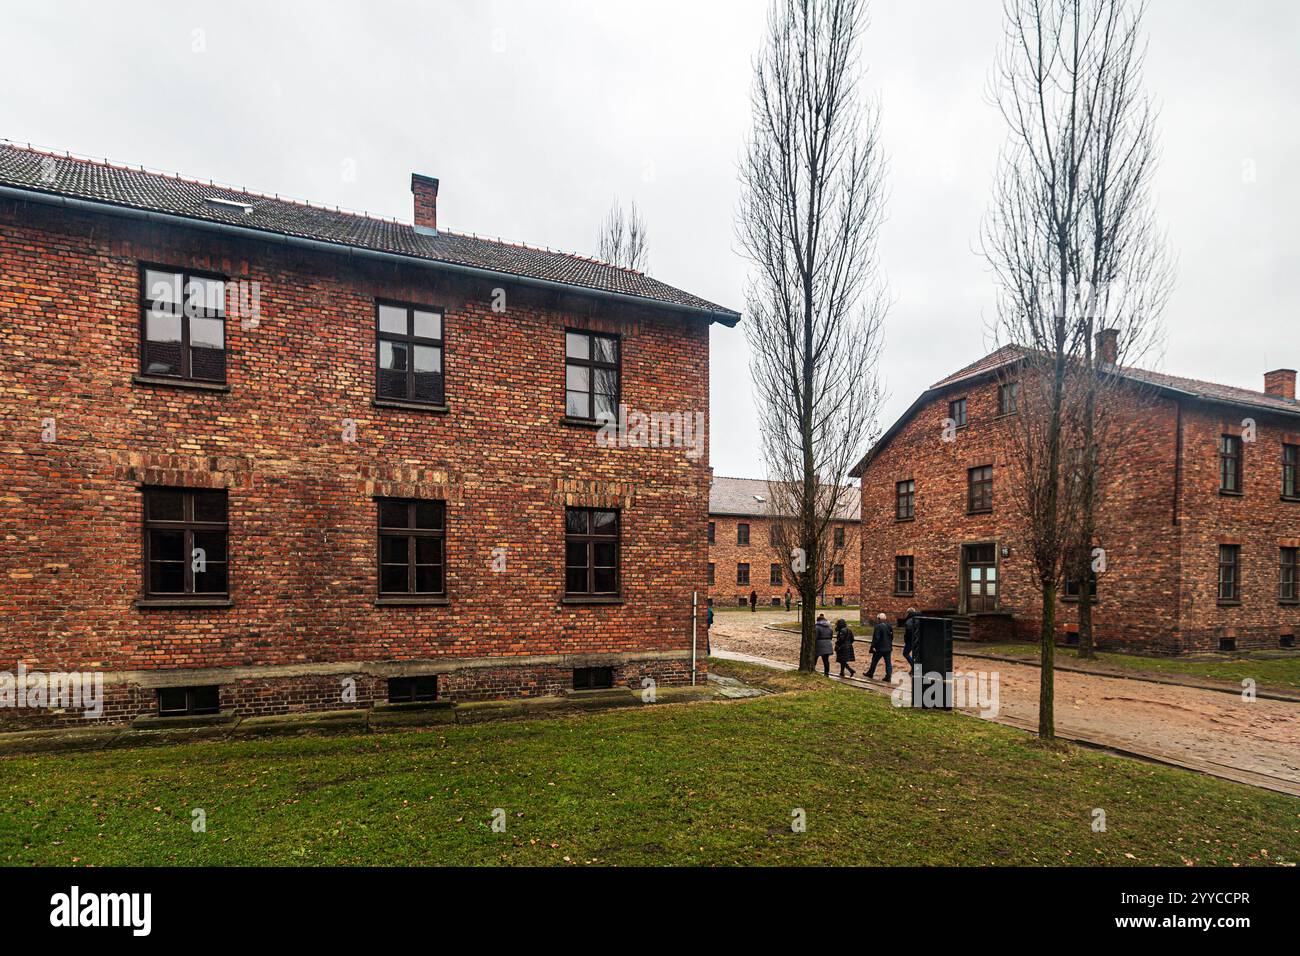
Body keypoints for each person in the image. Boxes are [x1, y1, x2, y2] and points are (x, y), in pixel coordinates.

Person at [867, 612, 894, 682]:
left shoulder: (878, 627)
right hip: (888, 648)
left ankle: (870, 673)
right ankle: (888, 676)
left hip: (880, 648)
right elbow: (892, 637)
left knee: (874, 661)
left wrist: (873, 646)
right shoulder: (889, 626)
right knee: (888, 663)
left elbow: (876, 638)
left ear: (879, 619)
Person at [902, 607, 919, 673]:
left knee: (905, 653)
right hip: (918, 640)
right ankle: (913, 669)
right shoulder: (918, 618)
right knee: (915, 655)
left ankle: (914, 667)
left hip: (910, 641)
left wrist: (906, 639)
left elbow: (908, 631)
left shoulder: (909, 620)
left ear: (908, 613)